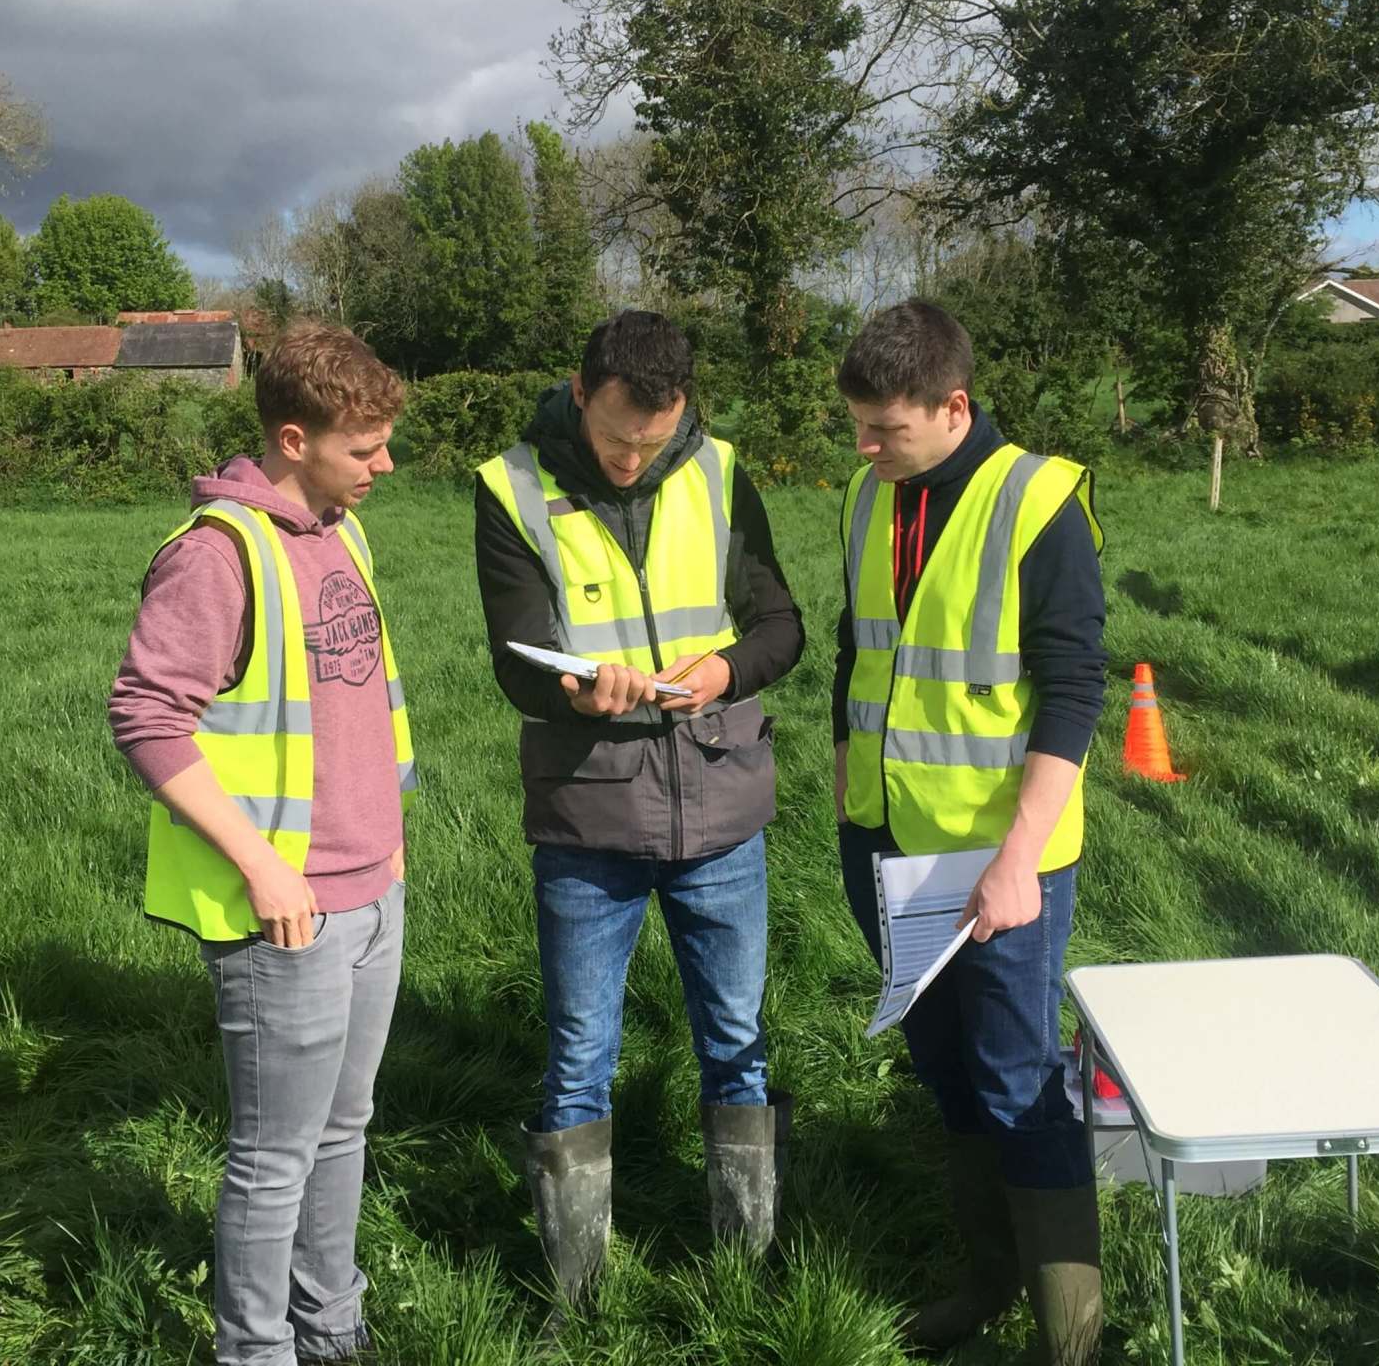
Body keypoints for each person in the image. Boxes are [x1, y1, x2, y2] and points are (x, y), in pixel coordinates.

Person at [473, 310, 804, 1310]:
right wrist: (571, 692)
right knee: (578, 1054)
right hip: (588, 823)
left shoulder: (720, 470)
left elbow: (782, 625)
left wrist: (725, 669)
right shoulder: (509, 487)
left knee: (737, 1039)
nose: (630, 460)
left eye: (652, 443)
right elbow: (515, 658)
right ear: (580, 393)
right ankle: (579, 1295)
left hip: (722, 812)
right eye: (617, 438)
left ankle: (746, 1273)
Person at [108, 322, 417, 1366]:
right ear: (294, 436)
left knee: (344, 1128)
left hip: (373, 886)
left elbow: (366, 705)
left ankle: (332, 1326)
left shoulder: (341, 527)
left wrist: (389, 845)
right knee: (275, 1153)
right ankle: (254, 1349)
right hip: (284, 907)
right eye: (364, 449)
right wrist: (264, 866)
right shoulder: (216, 553)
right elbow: (148, 718)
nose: (386, 465)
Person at [831, 301, 1107, 1365]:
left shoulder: (1038, 499)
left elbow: (1074, 687)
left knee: (1017, 1078)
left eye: (883, 427)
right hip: (887, 844)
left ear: (954, 406)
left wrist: (1020, 859)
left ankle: (1070, 1338)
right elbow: (868, 660)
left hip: (1000, 864)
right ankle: (987, 1286)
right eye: (856, 424)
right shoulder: (872, 493)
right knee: (944, 1070)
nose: (863, 447)